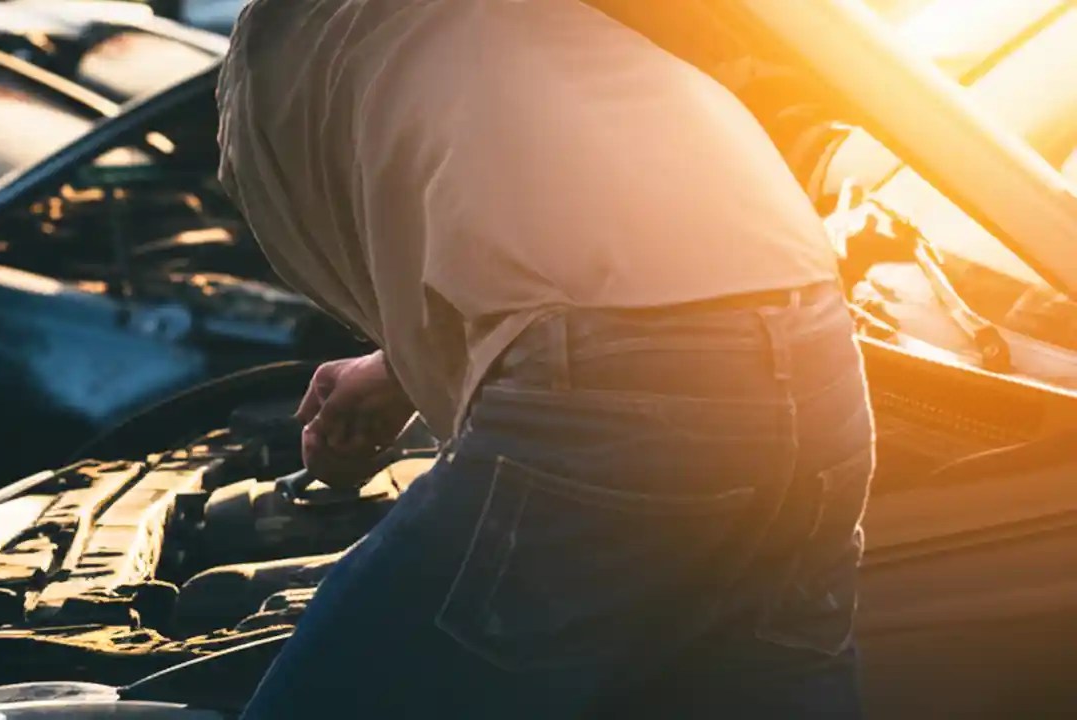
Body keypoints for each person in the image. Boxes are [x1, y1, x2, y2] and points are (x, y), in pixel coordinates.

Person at [217, 0, 874, 716]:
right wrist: (401, 364)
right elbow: (613, 241)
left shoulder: (282, 59)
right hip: (816, 346)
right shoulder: (518, 31)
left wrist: (420, 357)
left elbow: (371, 221)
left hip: (620, 385)